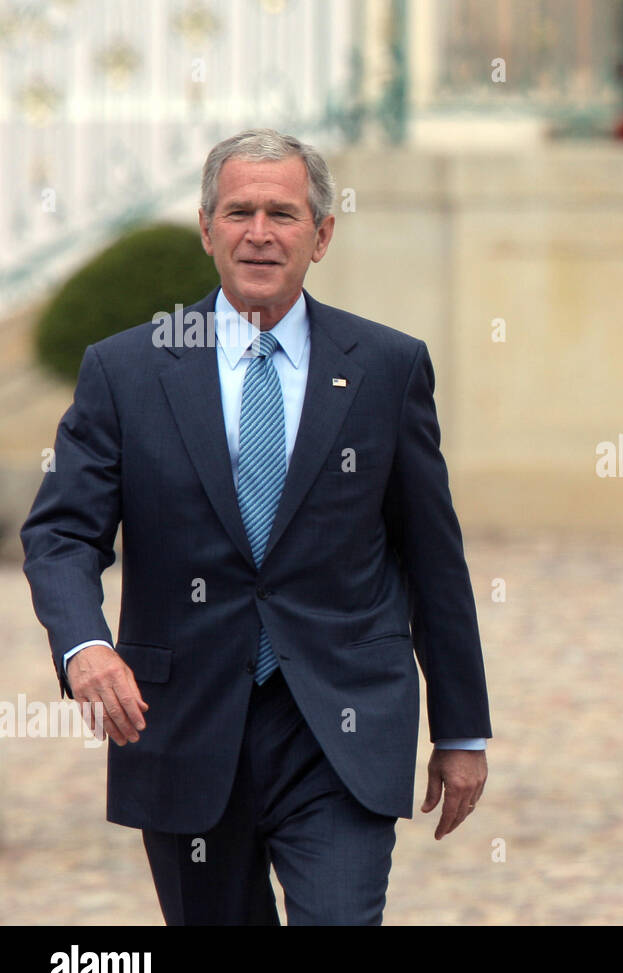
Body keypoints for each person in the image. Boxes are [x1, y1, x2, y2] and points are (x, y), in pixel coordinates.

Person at [21, 128, 491, 925]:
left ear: (323, 234)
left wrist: (463, 729)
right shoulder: (125, 370)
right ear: (207, 229)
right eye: (239, 211)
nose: (260, 232)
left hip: (340, 728)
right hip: (184, 726)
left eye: (284, 213)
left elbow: (432, 556)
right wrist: (84, 645)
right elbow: (60, 534)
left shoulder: (386, 367)